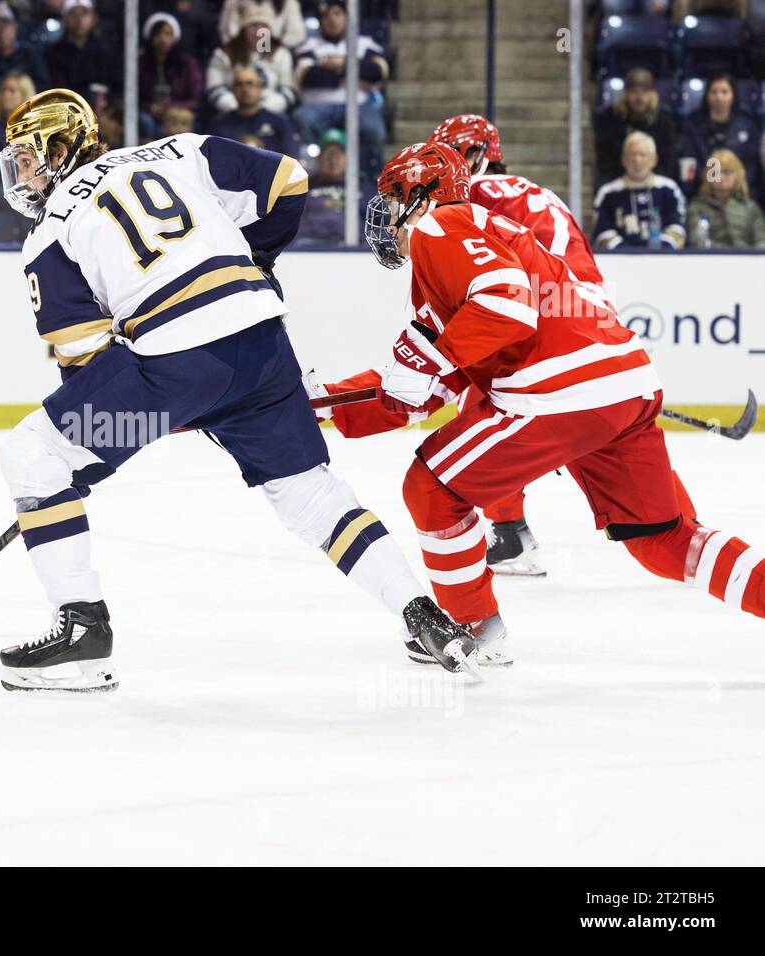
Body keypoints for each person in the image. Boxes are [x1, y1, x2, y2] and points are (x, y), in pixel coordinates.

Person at [0, 88, 481, 692]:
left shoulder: (49, 231)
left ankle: (83, 636)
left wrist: (106, 444)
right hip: (262, 344)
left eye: (28, 156)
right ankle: (422, 614)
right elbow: (290, 181)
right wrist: (255, 259)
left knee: (34, 455)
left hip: (175, 364)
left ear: (62, 148)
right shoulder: (176, 150)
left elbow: (85, 357)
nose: (22, 172)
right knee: (311, 495)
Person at [322, 141, 765, 668]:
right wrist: (327, 405)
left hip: (560, 390)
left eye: (394, 200)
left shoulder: (441, 228)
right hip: (624, 383)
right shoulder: (472, 242)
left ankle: (473, 629)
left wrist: (429, 360)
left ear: (422, 199)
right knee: (664, 540)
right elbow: (430, 386)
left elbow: (506, 305)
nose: (387, 218)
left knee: (433, 486)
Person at [430, 113, 612, 576]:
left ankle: (510, 532)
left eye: (449, 159)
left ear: (473, 156)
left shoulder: (477, 195)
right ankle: (677, 521)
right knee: (600, 424)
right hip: (585, 308)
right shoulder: (524, 189)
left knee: (486, 401)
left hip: (553, 309)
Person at [291, 0, 388, 171]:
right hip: (318, 106)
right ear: (321, 20)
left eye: (337, 14)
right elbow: (307, 77)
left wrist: (338, 65)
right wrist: (352, 71)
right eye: (327, 15)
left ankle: (371, 175)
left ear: (347, 17)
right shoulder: (309, 46)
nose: (332, 19)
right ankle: (311, 174)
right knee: (302, 118)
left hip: (358, 105)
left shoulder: (364, 44)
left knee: (374, 129)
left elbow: (377, 72)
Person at [594, 130, 686, 249]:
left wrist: (660, 249)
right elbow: (603, 234)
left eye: (643, 155)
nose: (637, 161)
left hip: (663, 259)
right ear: (623, 160)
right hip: (620, 261)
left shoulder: (669, 189)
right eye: (632, 155)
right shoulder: (608, 193)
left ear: (654, 160)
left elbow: (677, 228)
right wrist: (628, 253)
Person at [676, 73, 760, 198]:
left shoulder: (747, 124)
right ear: (707, 95)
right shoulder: (693, 125)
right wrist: (713, 183)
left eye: (724, 92)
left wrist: (734, 183)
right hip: (704, 190)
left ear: (733, 95)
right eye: (714, 92)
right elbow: (690, 160)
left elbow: (751, 163)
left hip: (740, 190)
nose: (719, 97)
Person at [204, 4, 296, 116]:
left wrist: (261, 109)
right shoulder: (223, 54)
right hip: (231, 112)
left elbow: (288, 91)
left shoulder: (281, 54)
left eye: (263, 26)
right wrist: (240, 108)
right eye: (253, 25)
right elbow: (214, 89)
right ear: (243, 29)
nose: (259, 31)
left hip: (272, 113)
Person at [594, 67, 677, 183]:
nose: (639, 97)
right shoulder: (611, 117)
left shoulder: (663, 119)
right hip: (618, 181)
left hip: (655, 182)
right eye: (634, 92)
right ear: (626, 93)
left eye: (644, 92)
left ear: (652, 93)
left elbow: (668, 158)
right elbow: (606, 159)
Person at [207, 65, 298, 157]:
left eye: (250, 83)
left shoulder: (279, 122)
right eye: (239, 84)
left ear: (260, 89)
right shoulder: (219, 124)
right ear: (233, 90)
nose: (245, 89)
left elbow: (292, 158)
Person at [686, 148, 765, 248]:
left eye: (727, 172)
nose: (721, 178)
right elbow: (696, 242)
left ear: (738, 175)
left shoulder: (750, 208)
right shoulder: (697, 207)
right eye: (715, 173)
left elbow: (762, 241)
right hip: (711, 260)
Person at [138, 12, 203, 131]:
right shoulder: (141, 63)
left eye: (168, 33)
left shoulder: (187, 63)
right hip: (151, 114)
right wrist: (150, 108)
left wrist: (168, 107)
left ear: (175, 37)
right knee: (144, 121)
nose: (163, 38)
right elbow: (135, 97)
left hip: (179, 112)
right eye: (158, 33)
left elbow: (195, 100)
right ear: (151, 37)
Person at [0, 1, 48, 99]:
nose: (1, 32)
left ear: (15, 28)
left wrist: (22, 96)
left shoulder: (30, 53)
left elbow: (44, 85)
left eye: (6, 26)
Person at [43, 0, 114, 100]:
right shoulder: (52, 54)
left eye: (84, 14)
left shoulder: (105, 51)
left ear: (93, 18)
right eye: (73, 14)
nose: (79, 20)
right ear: (64, 18)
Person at [218, 0, 305, 52]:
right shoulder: (233, 2)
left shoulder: (288, 3)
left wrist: (273, 48)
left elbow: (297, 35)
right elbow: (226, 33)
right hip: (238, 54)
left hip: (274, 54)